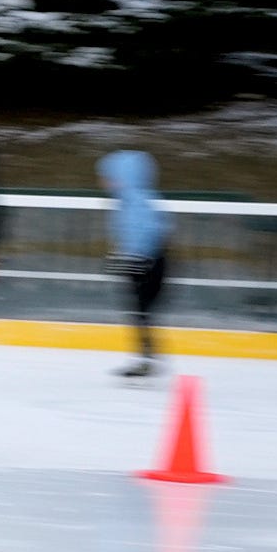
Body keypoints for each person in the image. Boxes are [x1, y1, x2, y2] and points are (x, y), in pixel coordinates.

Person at [99, 146, 172, 380]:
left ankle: (147, 359)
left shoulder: (136, 201)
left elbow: (149, 230)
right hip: (144, 260)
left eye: (108, 177)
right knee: (140, 312)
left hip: (147, 261)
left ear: (123, 177)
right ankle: (145, 358)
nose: (104, 182)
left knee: (141, 311)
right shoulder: (132, 200)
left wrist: (133, 257)